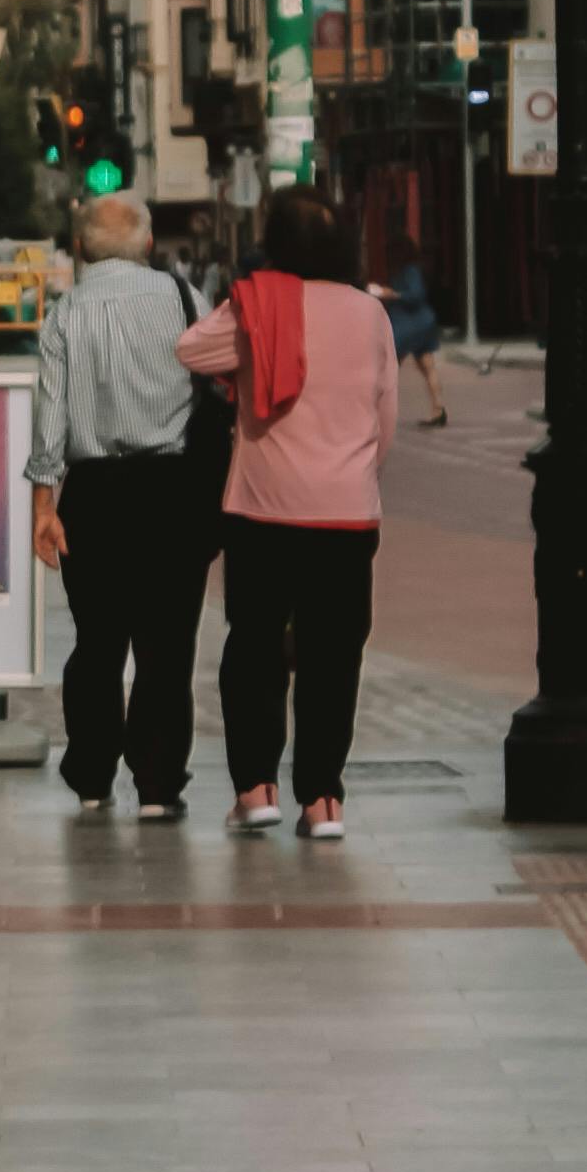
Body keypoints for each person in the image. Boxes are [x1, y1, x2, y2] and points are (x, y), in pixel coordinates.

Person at [177, 186, 398, 842]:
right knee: (335, 654)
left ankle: (255, 789)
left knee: (254, 649)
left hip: (262, 509)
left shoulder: (256, 305)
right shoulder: (369, 313)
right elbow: (385, 421)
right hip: (347, 514)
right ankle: (323, 799)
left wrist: (251, 315)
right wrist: (353, 472)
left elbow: (192, 350)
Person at [23, 190, 218, 823]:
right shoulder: (187, 301)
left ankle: (91, 773)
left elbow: (49, 414)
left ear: (80, 247)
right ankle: (159, 782)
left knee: (98, 642)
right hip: (172, 490)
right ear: (148, 241)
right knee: (167, 646)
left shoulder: (65, 314)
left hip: (95, 494)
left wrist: (43, 507)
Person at [372, 245, 449, 422]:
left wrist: (392, 294)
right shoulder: (411, 270)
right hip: (423, 322)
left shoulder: (409, 271)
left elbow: (415, 295)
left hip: (410, 325)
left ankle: (380, 410)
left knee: (390, 366)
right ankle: (439, 407)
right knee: (427, 366)